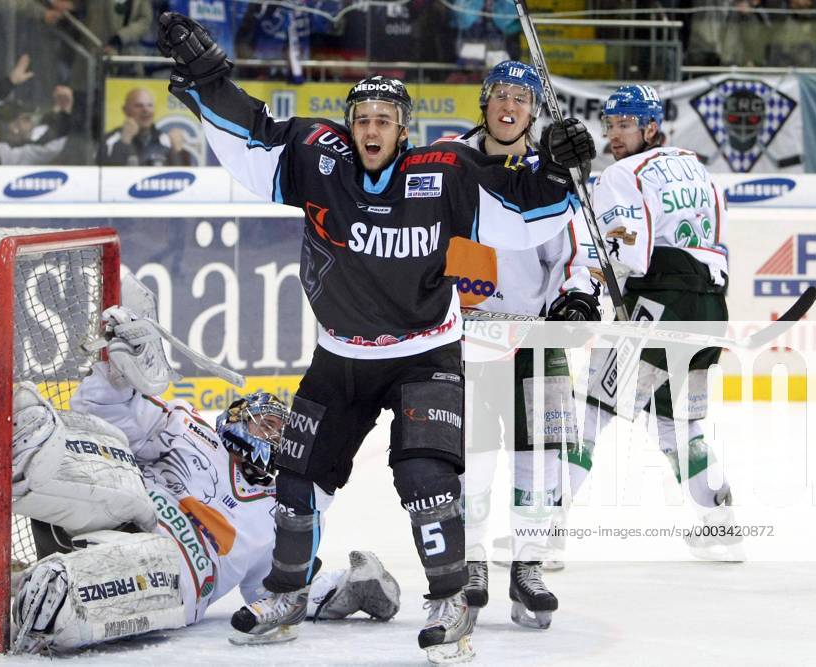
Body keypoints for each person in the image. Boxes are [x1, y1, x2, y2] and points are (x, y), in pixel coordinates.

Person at [155, 12, 595, 664]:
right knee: (297, 477)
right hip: (340, 357)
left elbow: (520, 210)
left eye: (384, 120)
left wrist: (556, 170)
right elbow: (251, 136)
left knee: (425, 476)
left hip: (425, 353)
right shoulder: (316, 157)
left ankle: (451, 600)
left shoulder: (445, 172)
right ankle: (286, 592)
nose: (371, 129)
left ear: (403, 130)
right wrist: (207, 79)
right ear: (348, 125)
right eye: (362, 118)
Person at [10, 305, 401, 653]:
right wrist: (120, 371)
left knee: (68, 598)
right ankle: (28, 459)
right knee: (121, 475)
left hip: (169, 578)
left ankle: (56, 596)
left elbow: (280, 591)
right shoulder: (189, 427)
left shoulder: (283, 510)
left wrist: (349, 589)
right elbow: (104, 414)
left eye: (279, 432)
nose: (272, 434)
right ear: (238, 416)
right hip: (113, 515)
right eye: (266, 423)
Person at [442, 60, 600, 630]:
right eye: (502, 95)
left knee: (542, 456)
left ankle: (527, 563)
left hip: (533, 335)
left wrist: (577, 297)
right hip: (465, 335)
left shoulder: (552, 172)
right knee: (474, 455)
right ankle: (473, 560)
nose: (510, 106)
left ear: (533, 112)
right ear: (484, 102)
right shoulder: (448, 161)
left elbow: (576, 252)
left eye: (523, 98)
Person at [584, 84, 739, 560]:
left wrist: (590, 284)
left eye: (625, 125)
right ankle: (721, 528)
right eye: (610, 125)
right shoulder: (697, 167)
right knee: (679, 423)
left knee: (591, 412)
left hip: (658, 303)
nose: (614, 135)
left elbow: (629, 255)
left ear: (651, 127)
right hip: (710, 307)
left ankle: (540, 536)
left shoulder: (621, 173)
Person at [101, 88, 195, 166]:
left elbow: (183, 177)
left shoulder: (166, 140)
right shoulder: (110, 140)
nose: (145, 110)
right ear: (125, 110)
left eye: (150, 105)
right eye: (139, 105)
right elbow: (105, 175)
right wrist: (124, 142)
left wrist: (178, 151)